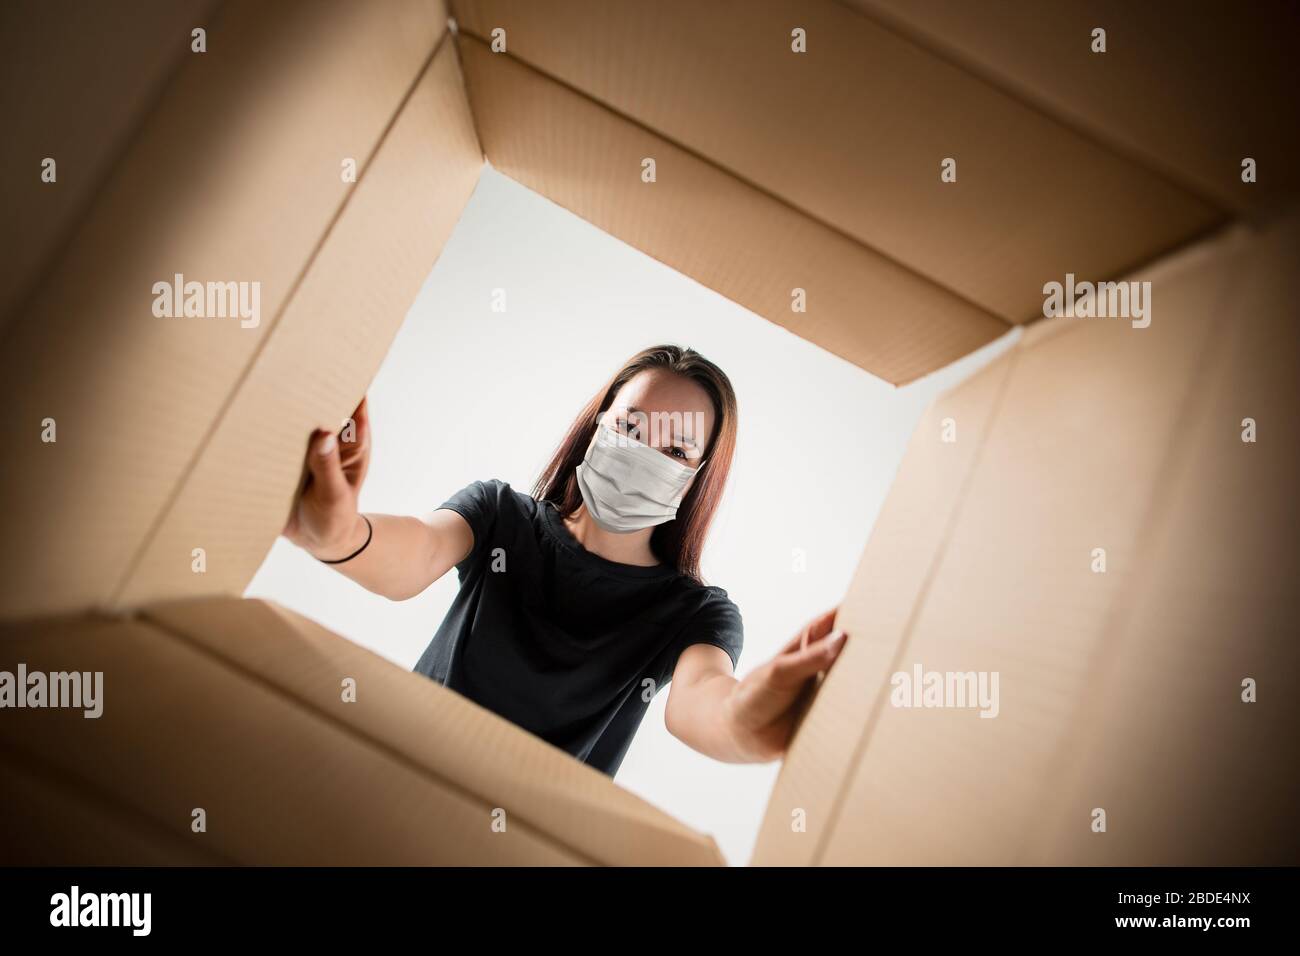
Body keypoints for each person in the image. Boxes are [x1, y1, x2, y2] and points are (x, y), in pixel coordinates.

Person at [282, 344, 848, 778]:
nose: (643, 454)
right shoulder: (500, 515)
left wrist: (748, 719)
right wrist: (338, 535)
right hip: (388, 786)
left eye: (675, 450)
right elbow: (413, 556)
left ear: (697, 477)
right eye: (629, 427)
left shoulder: (695, 614)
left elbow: (700, 703)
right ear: (596, 425)